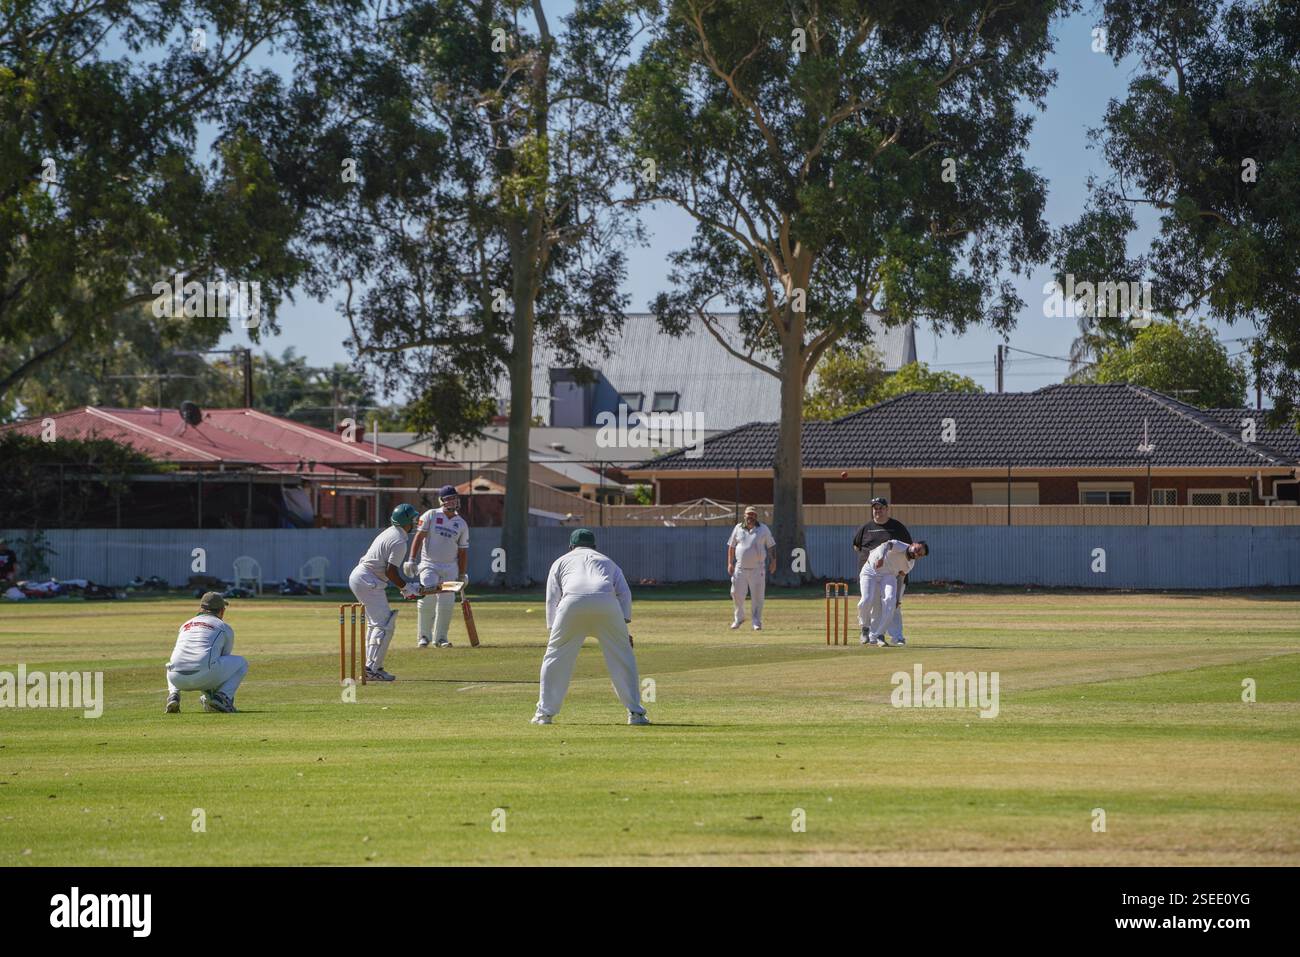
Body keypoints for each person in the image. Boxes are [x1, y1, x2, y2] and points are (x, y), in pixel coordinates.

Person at [533, 528, 649, 726]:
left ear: (570, 547)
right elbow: (624, 594)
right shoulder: (607, 561)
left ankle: (544, 715)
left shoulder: (560, 561)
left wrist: (554, 631)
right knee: (623, 657)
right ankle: (636, 714)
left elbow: (552, 597)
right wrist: (624, 625)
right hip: (606, 603)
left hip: (572, 603)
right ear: (595, 547)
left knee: (555, 657)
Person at [347, 504, 421, 681]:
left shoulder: (391, 532)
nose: (415, 522)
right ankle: (371, 669)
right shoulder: (399, 541)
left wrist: (407, 587)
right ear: (406, 522)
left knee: (377, 624)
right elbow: (390, 572)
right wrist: (406, 588)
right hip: (367, 580)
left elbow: (389, 572)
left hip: (363, 577)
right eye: (413, 519)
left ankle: (372, 666)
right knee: (384, 624)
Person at [164, 592, 248, 714]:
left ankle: (173, 695)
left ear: (201, 608)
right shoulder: (223, 626)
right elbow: (223, 657)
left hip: (176, 679)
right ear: (222, 611)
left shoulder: (185, 624)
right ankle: (222, 697)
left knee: (172, 664)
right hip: (204, 675)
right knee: (241, 663)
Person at [406, 485, 469, 648]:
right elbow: (419, 537)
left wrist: (462, 575)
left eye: (454, 498)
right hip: (429, 564)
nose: (453, 501)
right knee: (427, 599)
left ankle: (441, 638)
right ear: (442, 501)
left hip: (450, 567)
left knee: (447, 602)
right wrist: (412, 559)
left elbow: (462, 552)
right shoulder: (431, 515)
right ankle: (423, 637)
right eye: (449, 498)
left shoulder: (461, 523)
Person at [851, 497, 913, 644]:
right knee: (872, 603)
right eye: (875, 508)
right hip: (871, 572)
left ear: (887, 509)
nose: (878, 511)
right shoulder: (866, 528)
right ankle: (873, 635)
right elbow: (856, 546)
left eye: (881, 508)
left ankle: (897, 637)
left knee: (892, 604)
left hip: (893, 573)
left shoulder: (897, 527)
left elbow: (908, 549)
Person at [861, 540, 928, 647]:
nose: (916, 553)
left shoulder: (910, 564)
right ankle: (865, 627)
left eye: (920, 554)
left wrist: (898, 598)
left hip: (888, 575)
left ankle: (880, 635)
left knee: (890, 601)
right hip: (871, 570)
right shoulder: (899, 545)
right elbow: (885, 545)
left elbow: (901, 578)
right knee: (866, 600)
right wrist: (881, 558)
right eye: (917, 549)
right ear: (913, 544)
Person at [726, 506, 776, 630]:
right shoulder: (738, 528)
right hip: (740, 568)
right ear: (744, 516)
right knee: (736, 594)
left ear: (756, 517)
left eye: (753, 515)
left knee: (758, 596)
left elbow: (771, 546)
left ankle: (756, 622)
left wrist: (773, 561)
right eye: (749, 514)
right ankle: (739, 618)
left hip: (757, 569)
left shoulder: (763, 529)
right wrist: (730, 563)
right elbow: (731, 546)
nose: (751, 517)